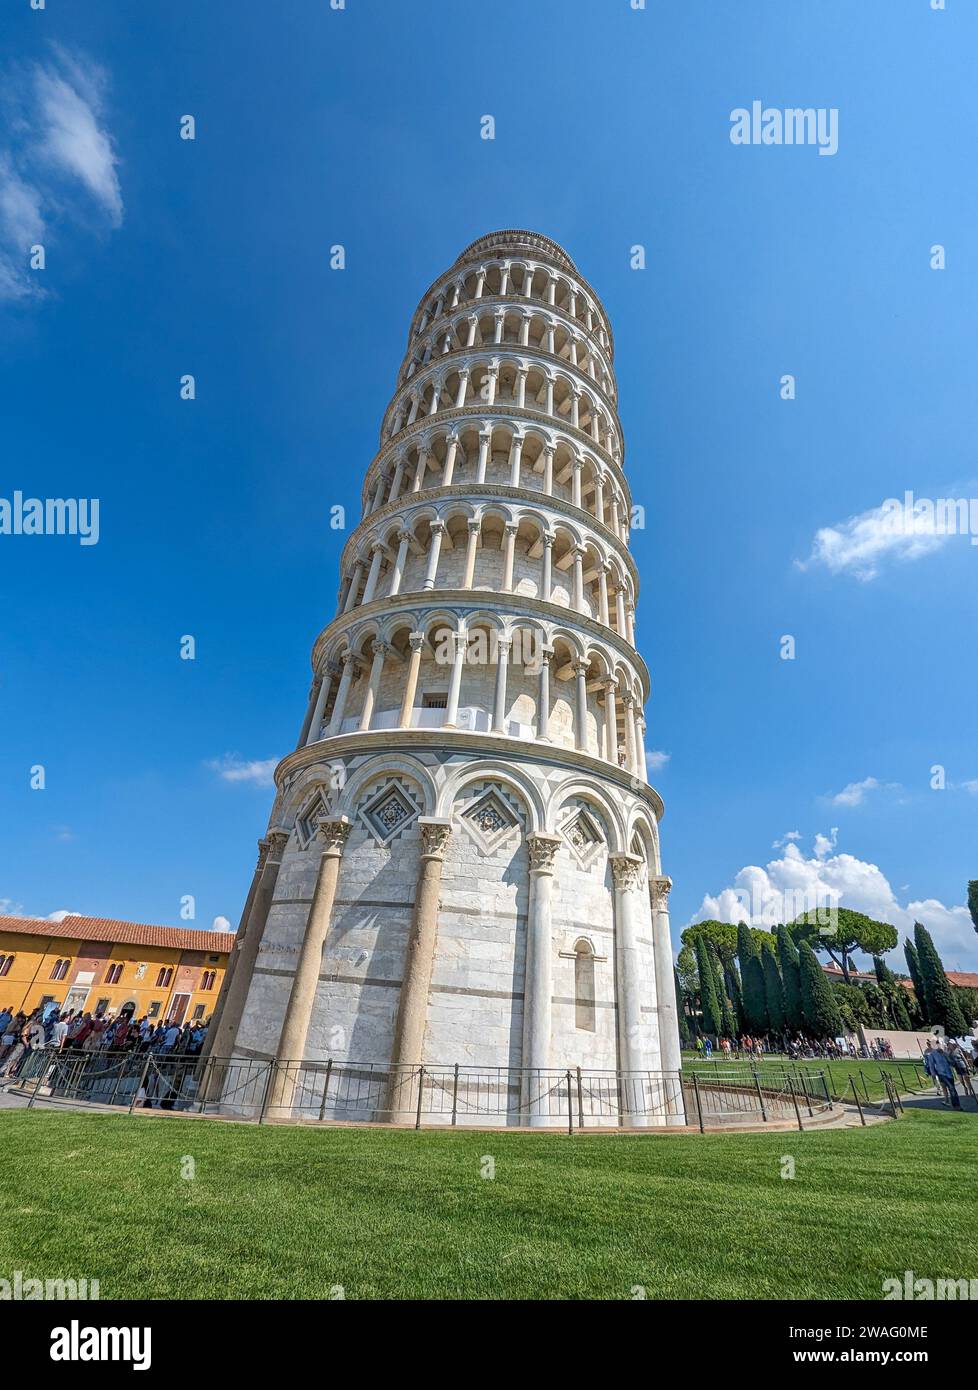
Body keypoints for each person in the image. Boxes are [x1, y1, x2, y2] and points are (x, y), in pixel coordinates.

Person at [924, 1041, 961, 1110]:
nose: (938, 1046)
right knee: (951, 1088)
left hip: (949, 1073)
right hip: (941, 1074)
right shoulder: (932, 1054)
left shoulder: (945, 1052)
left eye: (939, 1045)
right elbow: (931, 1065)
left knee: (952, 1089)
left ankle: (954, 1104)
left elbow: (952, 1063)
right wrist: (933, 1075)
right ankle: (956, 1106)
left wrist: (948, 1055)